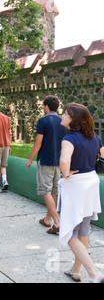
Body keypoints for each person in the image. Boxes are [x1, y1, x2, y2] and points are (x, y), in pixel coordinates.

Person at [58, 102, 104, 283]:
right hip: (91, 183)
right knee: (83, 230)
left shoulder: (69, 139)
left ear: (73, 119)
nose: (62, 116)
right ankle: (76, 270)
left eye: (65, 114)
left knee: (70, 232)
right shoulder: (95, 137)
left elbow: (64, 161)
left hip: (75, 186)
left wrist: (65, 172)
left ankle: (94, 273)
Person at [26, 96, 66, 234]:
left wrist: (30, 159)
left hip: (46, 161)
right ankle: (48, 219)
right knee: (54, 191)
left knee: (45, 191)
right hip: (59, 162)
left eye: (43, 106)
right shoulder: (63, 121)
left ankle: (57, 221)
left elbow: (38, 143)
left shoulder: (43, 121)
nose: (43, 109)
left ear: (47, 106)